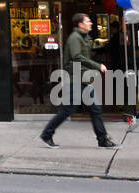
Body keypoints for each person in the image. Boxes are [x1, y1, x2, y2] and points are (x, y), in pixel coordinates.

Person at [40, 13, 119, 149]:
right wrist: (97, 65)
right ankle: (47, 134)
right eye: (88, 21)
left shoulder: (83, 37)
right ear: (80, 24)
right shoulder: (75, 38)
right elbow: (77, 57)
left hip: (83, 79)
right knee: (68, 109)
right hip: (75, 79)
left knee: (95, 108)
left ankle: (102, 139)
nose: (91, 23)